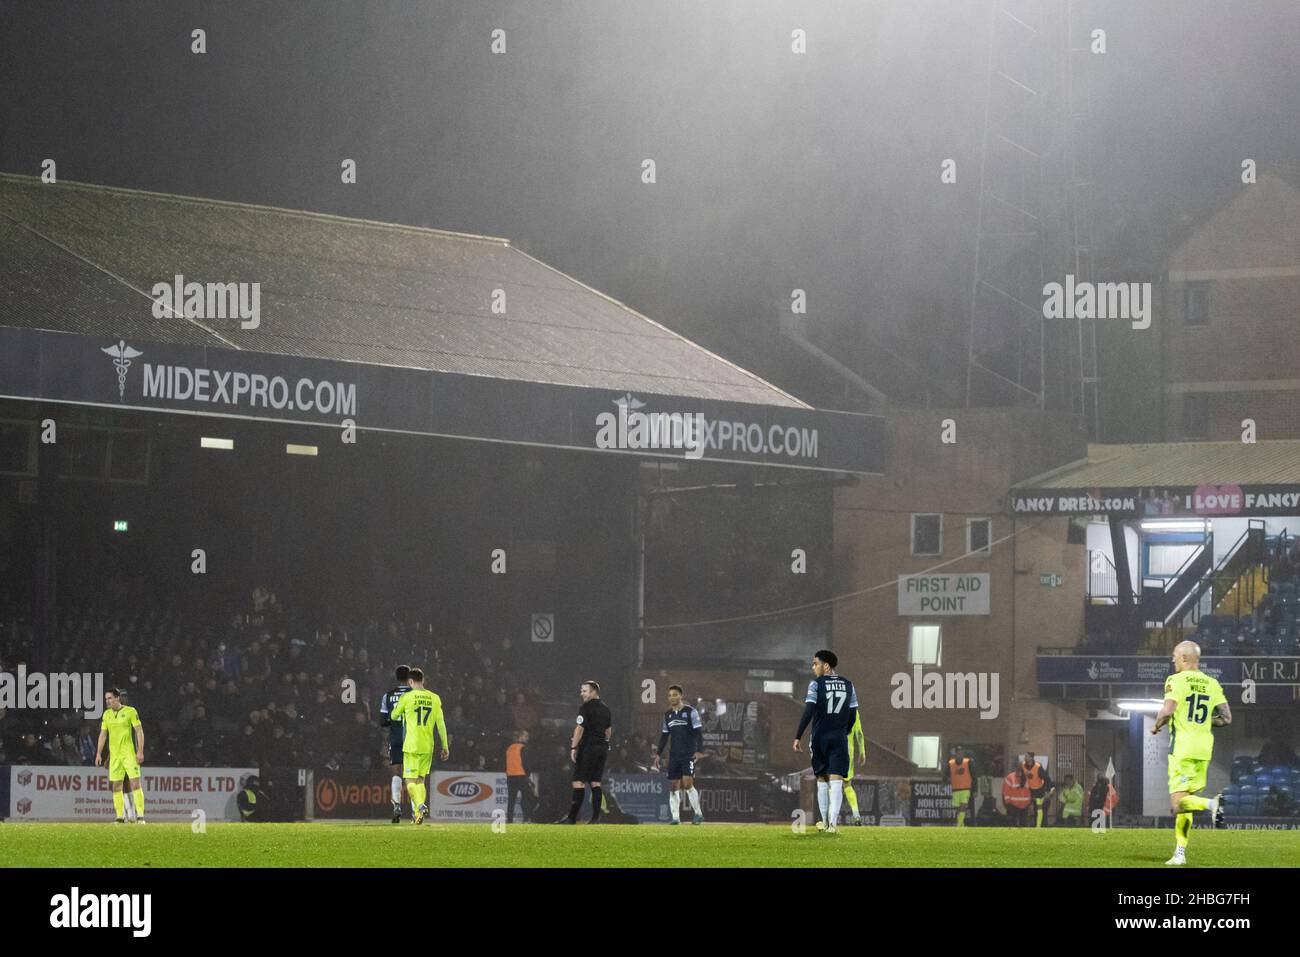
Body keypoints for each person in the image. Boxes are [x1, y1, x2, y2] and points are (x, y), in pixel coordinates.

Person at [1152, 639, 1229, 865]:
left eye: (1175, 656)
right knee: (1185, 804)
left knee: (1177, 804)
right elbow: (1226, 718)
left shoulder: (1176, 680)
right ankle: (1179, 853)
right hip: (1204, 750)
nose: (1173, 660)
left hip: (1183, 749)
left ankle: (1211, 804)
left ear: (1185, 658)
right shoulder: (1212, 683)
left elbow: (1167, 711)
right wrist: (1204, 723)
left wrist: (1156, 726)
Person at [792, 649, 858, 834]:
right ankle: (833, 825)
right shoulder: (848, 685)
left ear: (826, 665)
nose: (813, 667)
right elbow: (853, 714)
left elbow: (809, 711)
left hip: (820, 736)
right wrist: (845, 730)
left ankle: (823, 821)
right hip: (839, 737)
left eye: (815, 663)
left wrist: (798, 736)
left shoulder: (816, 684)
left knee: (821, 778)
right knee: (837, 780)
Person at [388, 668, 449, 825]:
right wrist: (445, 745)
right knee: (421, 780)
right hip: (428, 745)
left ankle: (420, 805)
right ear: (423, 680)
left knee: (409, 781)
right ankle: (417, 813)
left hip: (411, 745)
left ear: (410, 682)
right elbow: (440, 724)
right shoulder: (435, 698)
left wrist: (400, 713)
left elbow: (393, 716)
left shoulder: (407, 697)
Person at [650, 684, 705, 825]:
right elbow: (664, 736)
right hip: (674, 755)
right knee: (674, 786)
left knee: (687, 784)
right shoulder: (667, 715)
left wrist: (699, 751)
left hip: (688, 754)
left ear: (681, 696)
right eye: (670, 695)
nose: (672, 697)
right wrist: (658, 754)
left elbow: (698, 733)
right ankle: (675, 818)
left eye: (675, 694)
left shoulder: (690, 712)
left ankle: (698, 814)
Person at [564, 680, 612, 824]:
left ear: (593, 692)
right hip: (602, 749)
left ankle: (571, 818)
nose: (582, 694)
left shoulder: (585, 707)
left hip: (588, 748)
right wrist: (605, 743)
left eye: (584, 691)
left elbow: (579, 729)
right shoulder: (606, 709)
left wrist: (573, 747)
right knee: (596, 783)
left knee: (578, 782)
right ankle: (595, 818)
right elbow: (608, 731)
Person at [96, 688, 146, 824]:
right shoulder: (107, 715)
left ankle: (140, 816)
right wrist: (99, 753)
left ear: (117, 698)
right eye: (106, 699)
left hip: (129, 754)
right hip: (115, 756)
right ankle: (120, 817)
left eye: (110, 698)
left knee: (135, 784)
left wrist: (140, 751)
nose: (107, 701)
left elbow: (139, 732)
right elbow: (103, 734)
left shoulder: (130, 711)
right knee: (116, 786)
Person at [378, 664, 413, 823]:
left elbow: (383, 722)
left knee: (396, 773)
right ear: (409, 677)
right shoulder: (415, 694)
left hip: (396, 737)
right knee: (413, 775)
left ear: (396, 677)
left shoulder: (388, 696)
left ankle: (396, 807)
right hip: (412, 738)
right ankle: (415, 810)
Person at [504, 731, 538, 824]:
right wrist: (528, 774)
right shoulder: (523, 747)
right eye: (525, 736)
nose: (527, 737)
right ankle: (527, 818)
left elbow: (506, 763)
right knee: (528, 796)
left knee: (511, 799)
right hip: (521, 775)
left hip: (510, 776)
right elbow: (525, 762)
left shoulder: (509, 748)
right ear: (520, 737)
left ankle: (509, 820)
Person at [842, 707, 867, 825]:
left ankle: (829, 819)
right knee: (847, 785)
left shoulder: (831, 708)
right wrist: (862, 752)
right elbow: (859, 734)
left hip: (833, 749)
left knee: (832, 784)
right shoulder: (854, 711)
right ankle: (856, 816)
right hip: (848, 752)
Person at [1021, 752, 1054, 827]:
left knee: (1041, 810)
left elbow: (1047, 779)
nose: (1025, 757)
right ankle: (1035, 826)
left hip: (1040, 791)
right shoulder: (1023, 765)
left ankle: (1043, 827)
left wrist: (1046, 791)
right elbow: (1023, 777)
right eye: (1025, 756)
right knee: (1032, 810)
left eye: (1026, 756)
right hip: (1031, 791)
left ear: (1031, 758)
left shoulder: (1037, 767)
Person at [947, 749, 974, 827]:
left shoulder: (968, 762)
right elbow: (946, 773)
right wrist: (944, 782)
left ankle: (958, 825)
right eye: (958, 754)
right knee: (958, 808)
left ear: (963, 755)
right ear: (956, 754)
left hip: (966, 789)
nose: (959, 755)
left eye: (961, 754)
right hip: (955, 789)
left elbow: (973, 775)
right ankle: (961, 824)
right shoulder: (951, 763)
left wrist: (975, 789)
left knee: (963, 806)